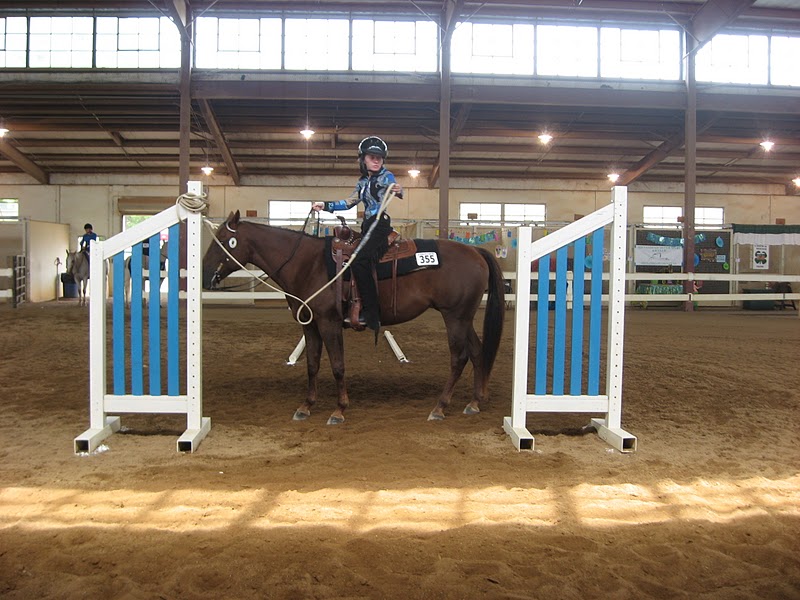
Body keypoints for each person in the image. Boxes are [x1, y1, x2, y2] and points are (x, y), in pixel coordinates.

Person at [312, 136, 403, 333]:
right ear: (363, 159)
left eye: (379, 157)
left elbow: (393, 187)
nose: (376, 160)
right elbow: (349, 202)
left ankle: (371, 313)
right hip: (367, 225)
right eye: (372, 157)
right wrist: (325, 205)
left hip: (380, 225)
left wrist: (397, 189)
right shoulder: (362, 182)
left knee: (360, 261)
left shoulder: (386, 176)